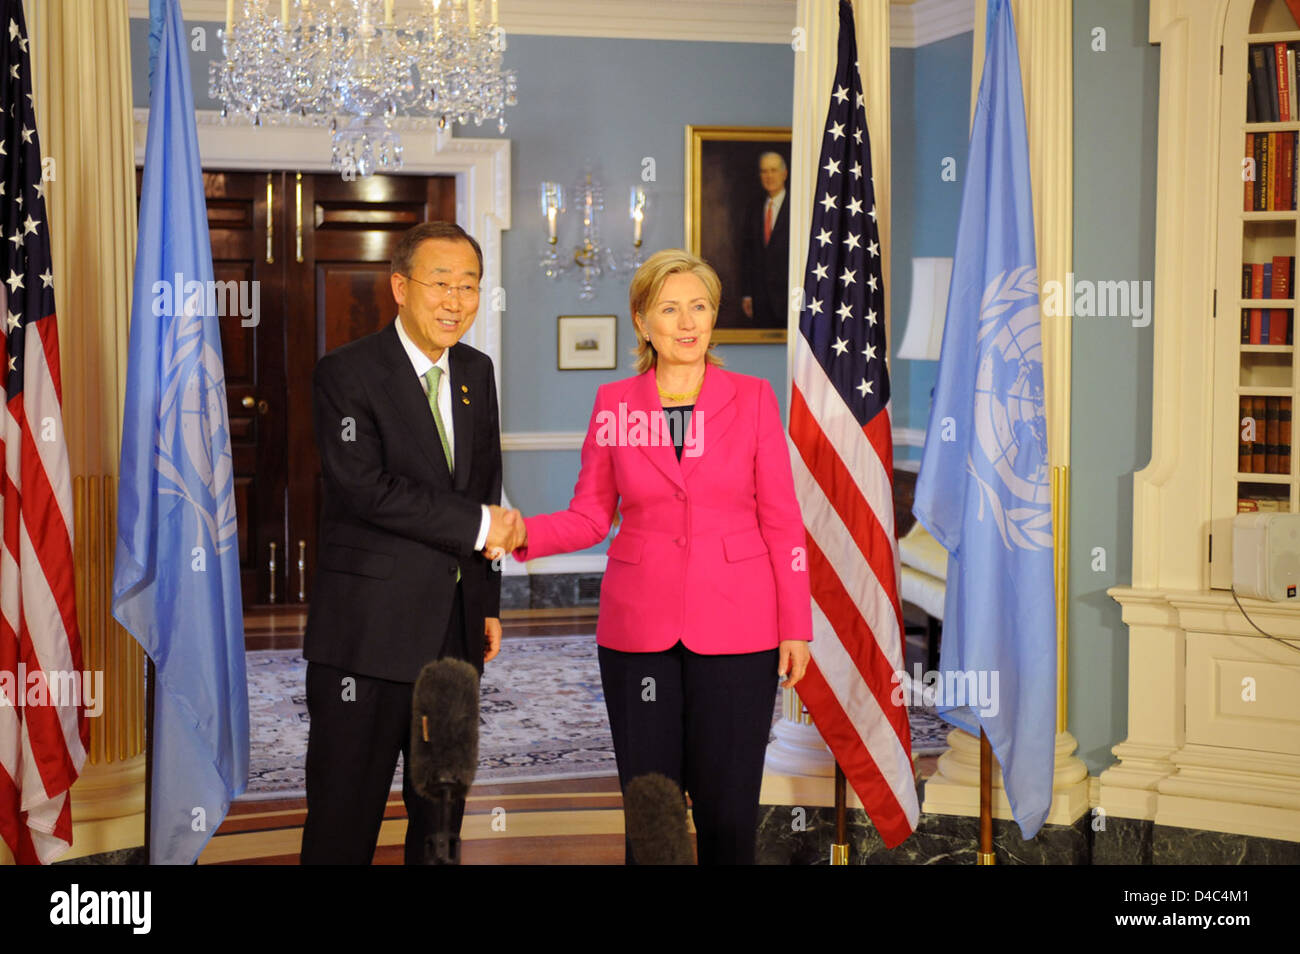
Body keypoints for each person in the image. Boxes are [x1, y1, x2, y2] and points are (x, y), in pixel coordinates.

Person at [511, 249, 812, 864]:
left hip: (740, 628)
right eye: (669, 309)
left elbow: (783, 522)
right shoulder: (614, 404)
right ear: (642, 321)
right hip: (638, 631)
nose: (687, 322)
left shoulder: (754, 398)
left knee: (728, 810)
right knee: (653, 812)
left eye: (699, 307)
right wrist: (518, 532)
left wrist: (796, 627)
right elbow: (590, 515)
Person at [299, 221, 525, 865]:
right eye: (440, 283)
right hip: (365, 640)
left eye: (469, 285)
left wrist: (485, 603)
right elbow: (366, 489)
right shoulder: (345, 372)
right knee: (344, 823)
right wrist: (481, 525)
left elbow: (484, 483)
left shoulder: (476, 371)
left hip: (453, 638)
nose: (456, 300)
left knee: (440, 824)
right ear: (400, 287)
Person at [740, 151, 790, 328]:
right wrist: (747, 293)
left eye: (773, 170)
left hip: (789, 298)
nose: (769, 176)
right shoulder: (754, 207)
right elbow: (747, 253)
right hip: (760, 299)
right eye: (764, 171)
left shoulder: (797, 206)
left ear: (784, 174)